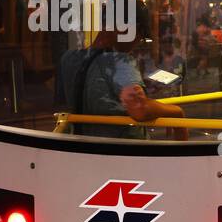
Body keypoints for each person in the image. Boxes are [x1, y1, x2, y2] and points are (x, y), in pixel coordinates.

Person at [58, 28, 187, 139]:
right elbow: (140, 109)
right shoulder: (120, 60)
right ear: (126, 28)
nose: (137, 43)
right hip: (123, 152)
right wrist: (176, 112)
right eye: (139, 37)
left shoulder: (69, 58)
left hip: (80, 149)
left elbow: (65, 102)